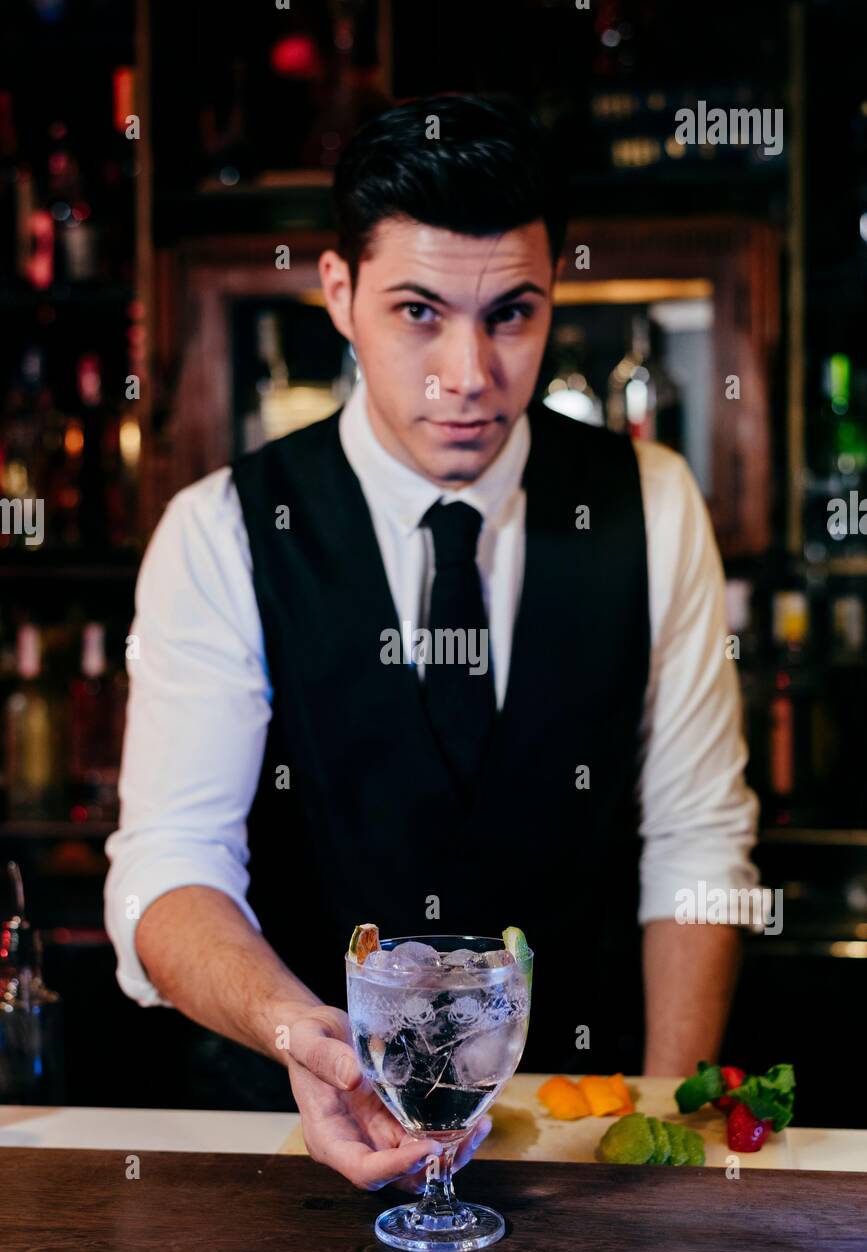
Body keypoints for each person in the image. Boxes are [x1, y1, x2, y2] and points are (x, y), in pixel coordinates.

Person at [104, 94, 759, 1193]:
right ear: (339, 294)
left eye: (513, 313)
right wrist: (295, 1033)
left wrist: (659, 1141)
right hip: (291, 1137)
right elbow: (170, 864)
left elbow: (698, 844)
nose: (468, 373)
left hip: (570, 1131)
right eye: (418, 311)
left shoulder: (648, 502)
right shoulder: (222, 528)